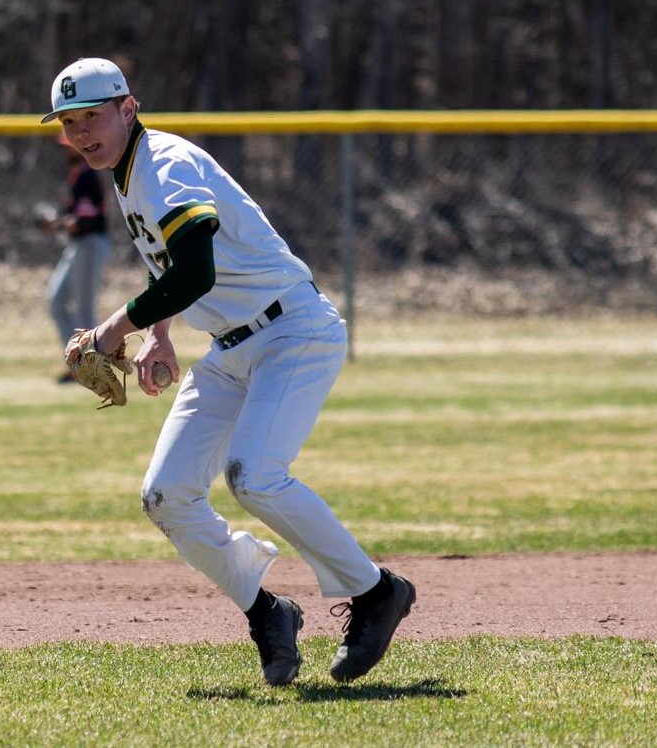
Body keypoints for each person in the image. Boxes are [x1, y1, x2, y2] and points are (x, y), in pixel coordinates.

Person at [43, 58, 415, 686]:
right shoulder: (127, 170)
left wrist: (114, 330)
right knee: (166, 496)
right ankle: (268, 612)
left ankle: (377, 591)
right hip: (230, 347)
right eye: (70, 121)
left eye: (93, 116)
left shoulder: (163, 165)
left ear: (129, 108)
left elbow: (196, 274)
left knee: (254, 476)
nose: (82, 132)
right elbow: (171, 265)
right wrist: (160, 333)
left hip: (292, 330)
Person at [41, 131, 112, 382]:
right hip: (78, 245)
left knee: (84, 308)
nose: (66, 151)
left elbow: (90, 216)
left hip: (91, 244)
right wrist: (58, 223)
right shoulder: (76, 175)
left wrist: (64, 223)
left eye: (69, 147)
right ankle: (77, 360)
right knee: (57, 300)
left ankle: (92, 366)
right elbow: (75, 217)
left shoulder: (88, 174)